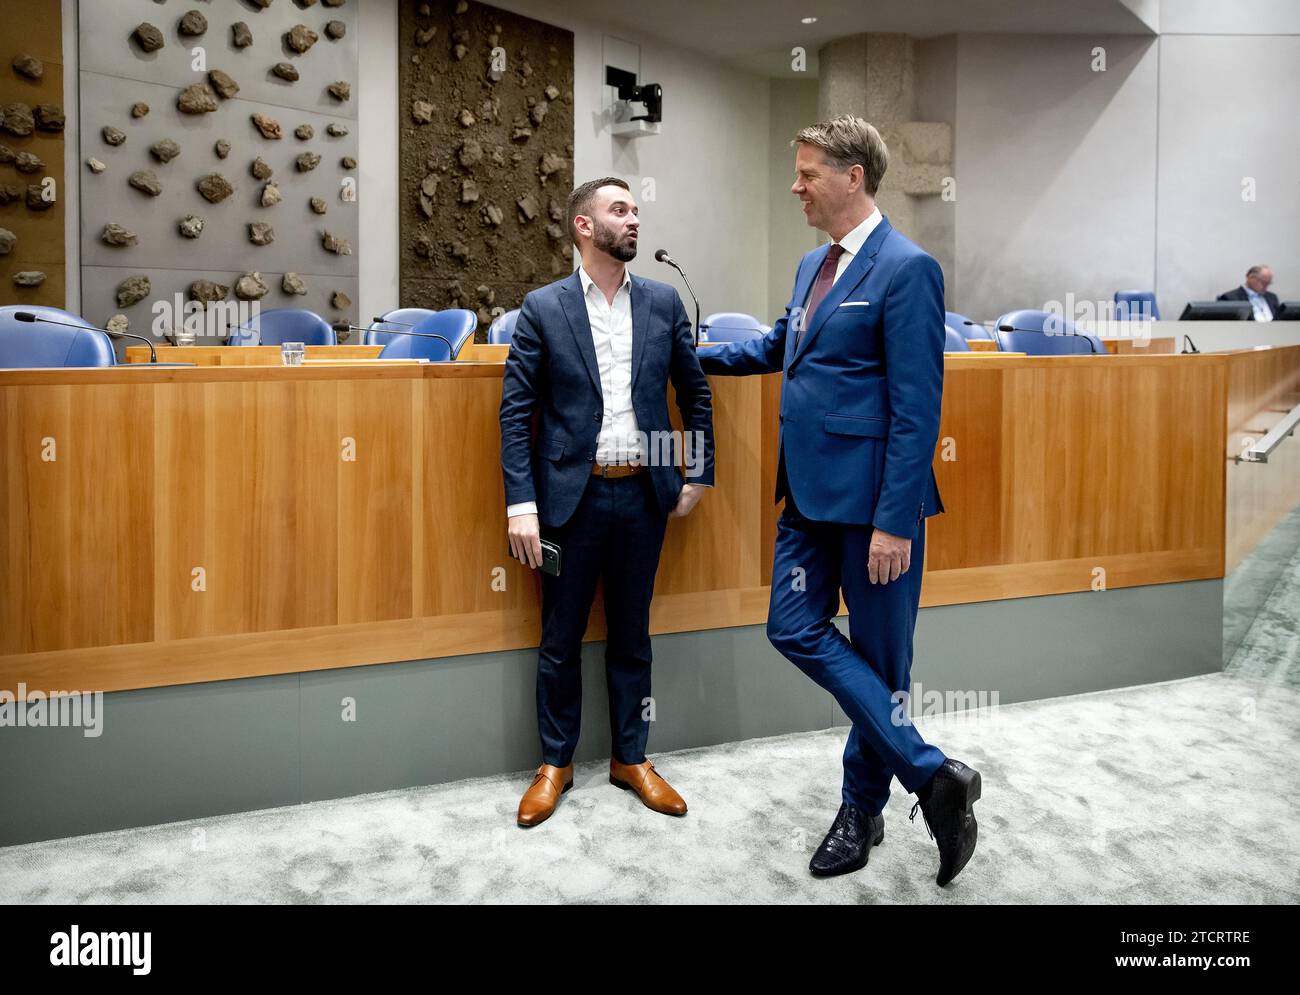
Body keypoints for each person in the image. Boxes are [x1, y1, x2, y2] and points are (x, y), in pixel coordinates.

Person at [698, 116, 981, 886]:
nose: (796, 185)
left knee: (882, 665)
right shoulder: (810, 266)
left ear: (852, 177)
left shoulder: (907, 268)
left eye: (807, 172)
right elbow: (779, 346)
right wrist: (688, 353)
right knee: (792, 627)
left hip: (874, 509)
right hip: (807, 497)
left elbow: (918, 408)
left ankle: (861, 809)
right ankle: (933, 775)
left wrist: (895, 521)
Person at [499, 176, 715, 828]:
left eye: (636, 210)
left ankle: (631, 757)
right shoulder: (544, 307)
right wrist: (521, 503)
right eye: (620, 210)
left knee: (632, 634)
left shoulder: (662, 301)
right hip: (571, 497)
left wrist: (697, 473)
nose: (634, 220)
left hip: (644, 496)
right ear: (583, 226)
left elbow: (695, 394)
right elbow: (516, 414)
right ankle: (555, 764)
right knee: (560, 639)